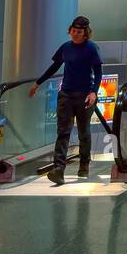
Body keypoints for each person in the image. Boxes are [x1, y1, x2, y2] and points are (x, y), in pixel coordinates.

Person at [29, 15, 103, 185]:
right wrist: (38, 83)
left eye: (79, 32)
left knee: (84, 132)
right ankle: (58, 169)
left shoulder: (91, 48)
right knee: (63, 132)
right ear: (69, 31)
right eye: (73, 31)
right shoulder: (65, 47)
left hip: (85, 95)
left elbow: (98, 72)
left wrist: (94, 93)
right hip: (66, 94)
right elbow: (54, 67)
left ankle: (84, 165)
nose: (75, 34)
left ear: (86, 33)